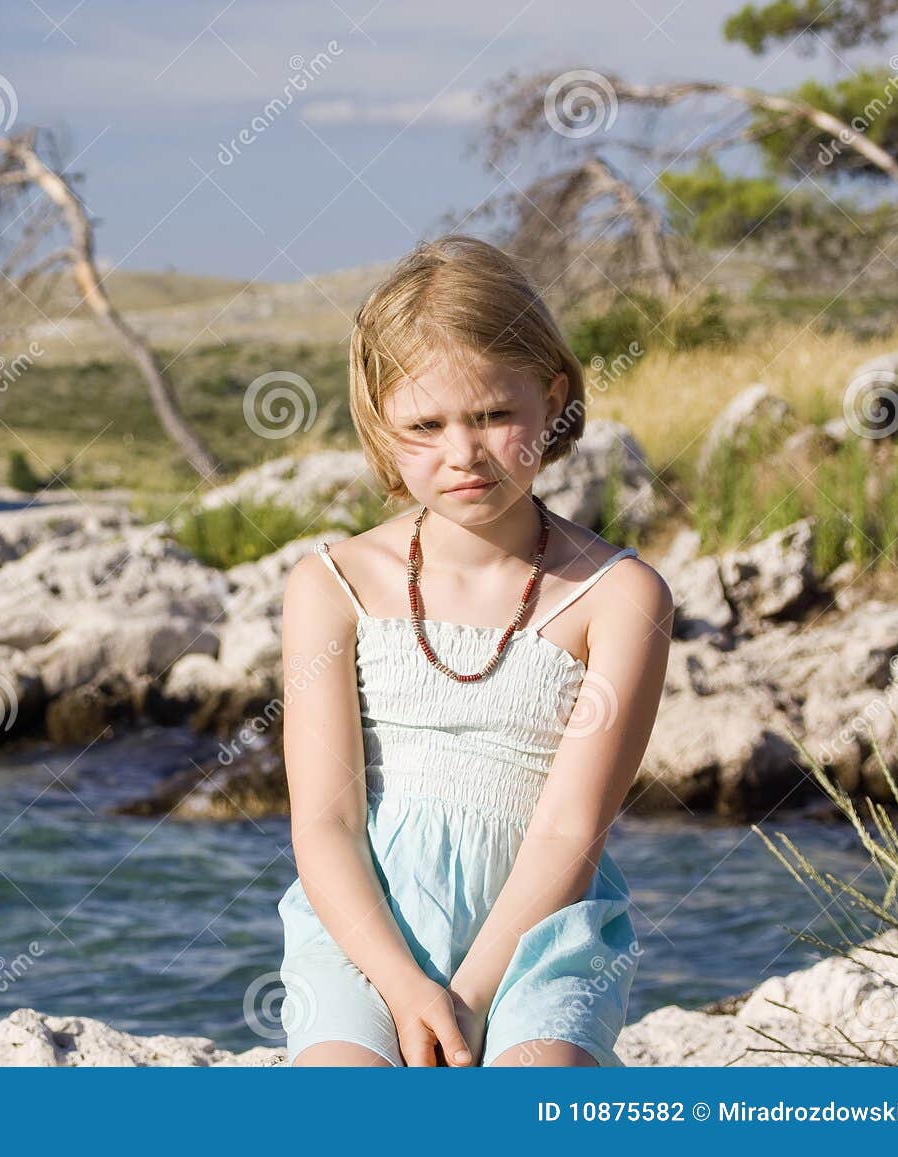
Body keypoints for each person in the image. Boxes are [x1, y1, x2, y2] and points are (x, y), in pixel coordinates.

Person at [275, 234, 673, 1068]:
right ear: (381, 425)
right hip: (364, 929)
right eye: (424, 425)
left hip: (541, 928)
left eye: (494, 414)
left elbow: (571, 828)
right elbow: (327, 823)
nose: (463, 453)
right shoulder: (331, 586)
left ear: (553, 397)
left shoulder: (620, 598)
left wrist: (471, 994)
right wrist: (407, 987)